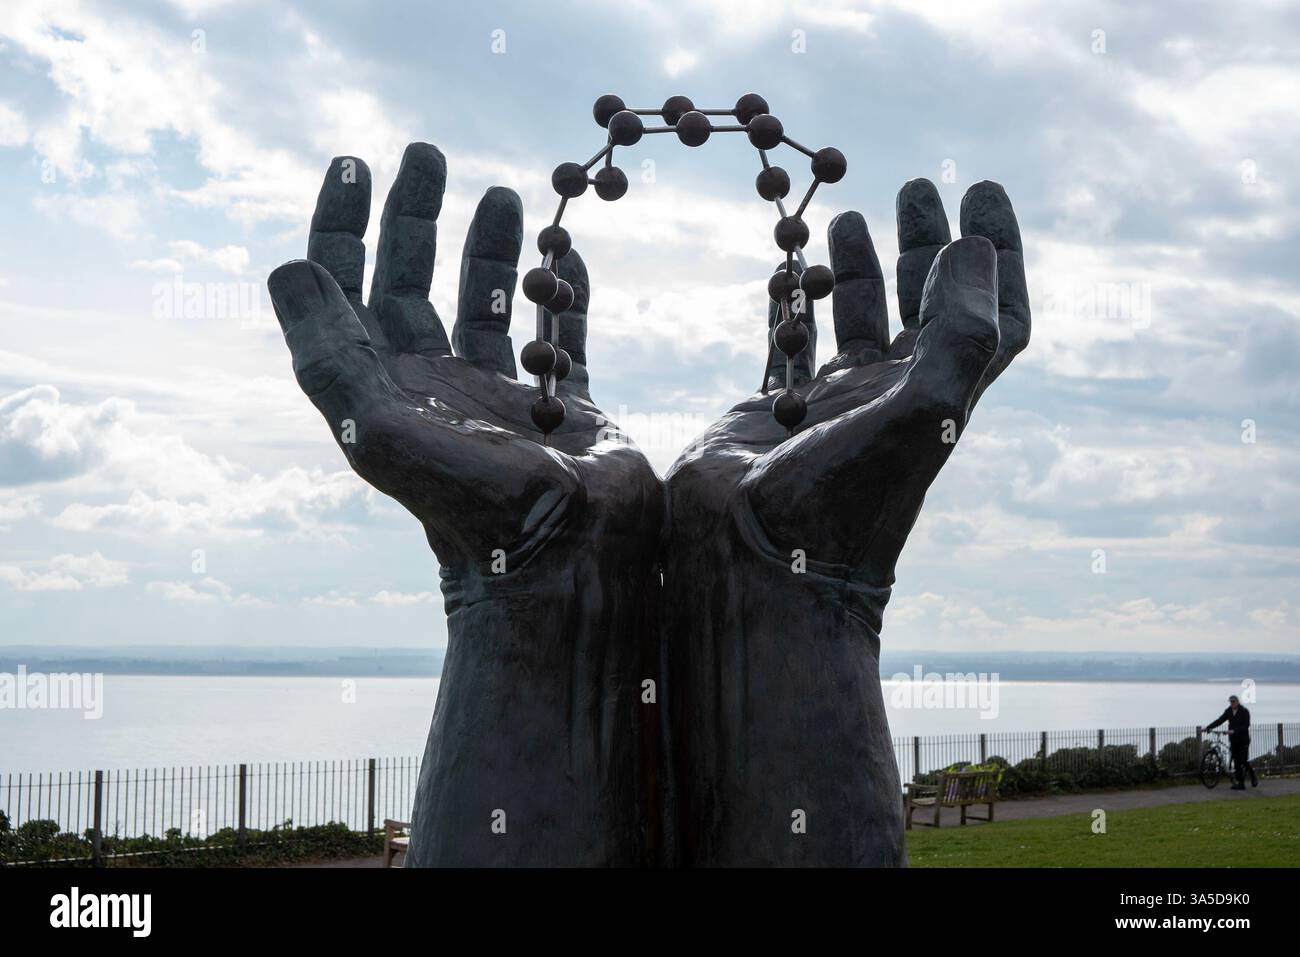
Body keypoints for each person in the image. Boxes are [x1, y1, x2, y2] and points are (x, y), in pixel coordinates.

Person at [1206, 695, 1258, 789]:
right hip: (1233, 740)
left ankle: (1253, 776)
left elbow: (1246, 725)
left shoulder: (1244, 711)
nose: (1232, 703)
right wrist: (1208, 727)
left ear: (1238, 702)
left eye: (1234, 701)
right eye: (1231, 702)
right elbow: (1220, 720)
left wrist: (1234, 731)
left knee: (1243, 760)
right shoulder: (1229, 711)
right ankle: (1240, 784)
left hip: (1243, 740)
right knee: (1237, 761)